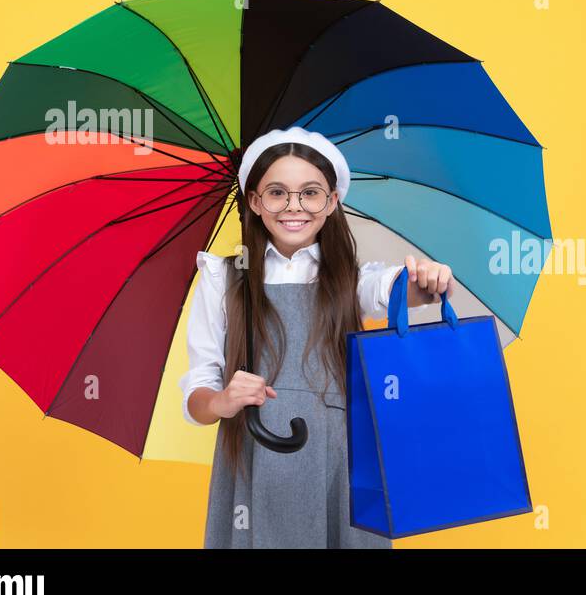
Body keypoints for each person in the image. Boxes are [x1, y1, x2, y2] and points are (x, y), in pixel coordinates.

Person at [178, 127, 454, 548]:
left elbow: (398, 289)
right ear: (254, 201)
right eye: (276, 193)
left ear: (333, 202)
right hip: (253, 461)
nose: (294, 207)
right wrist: (222, 400)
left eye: (310, 193)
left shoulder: (351, 278)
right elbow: (199, 393)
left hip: (340, 460)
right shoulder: (222, 279)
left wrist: (428, 281)